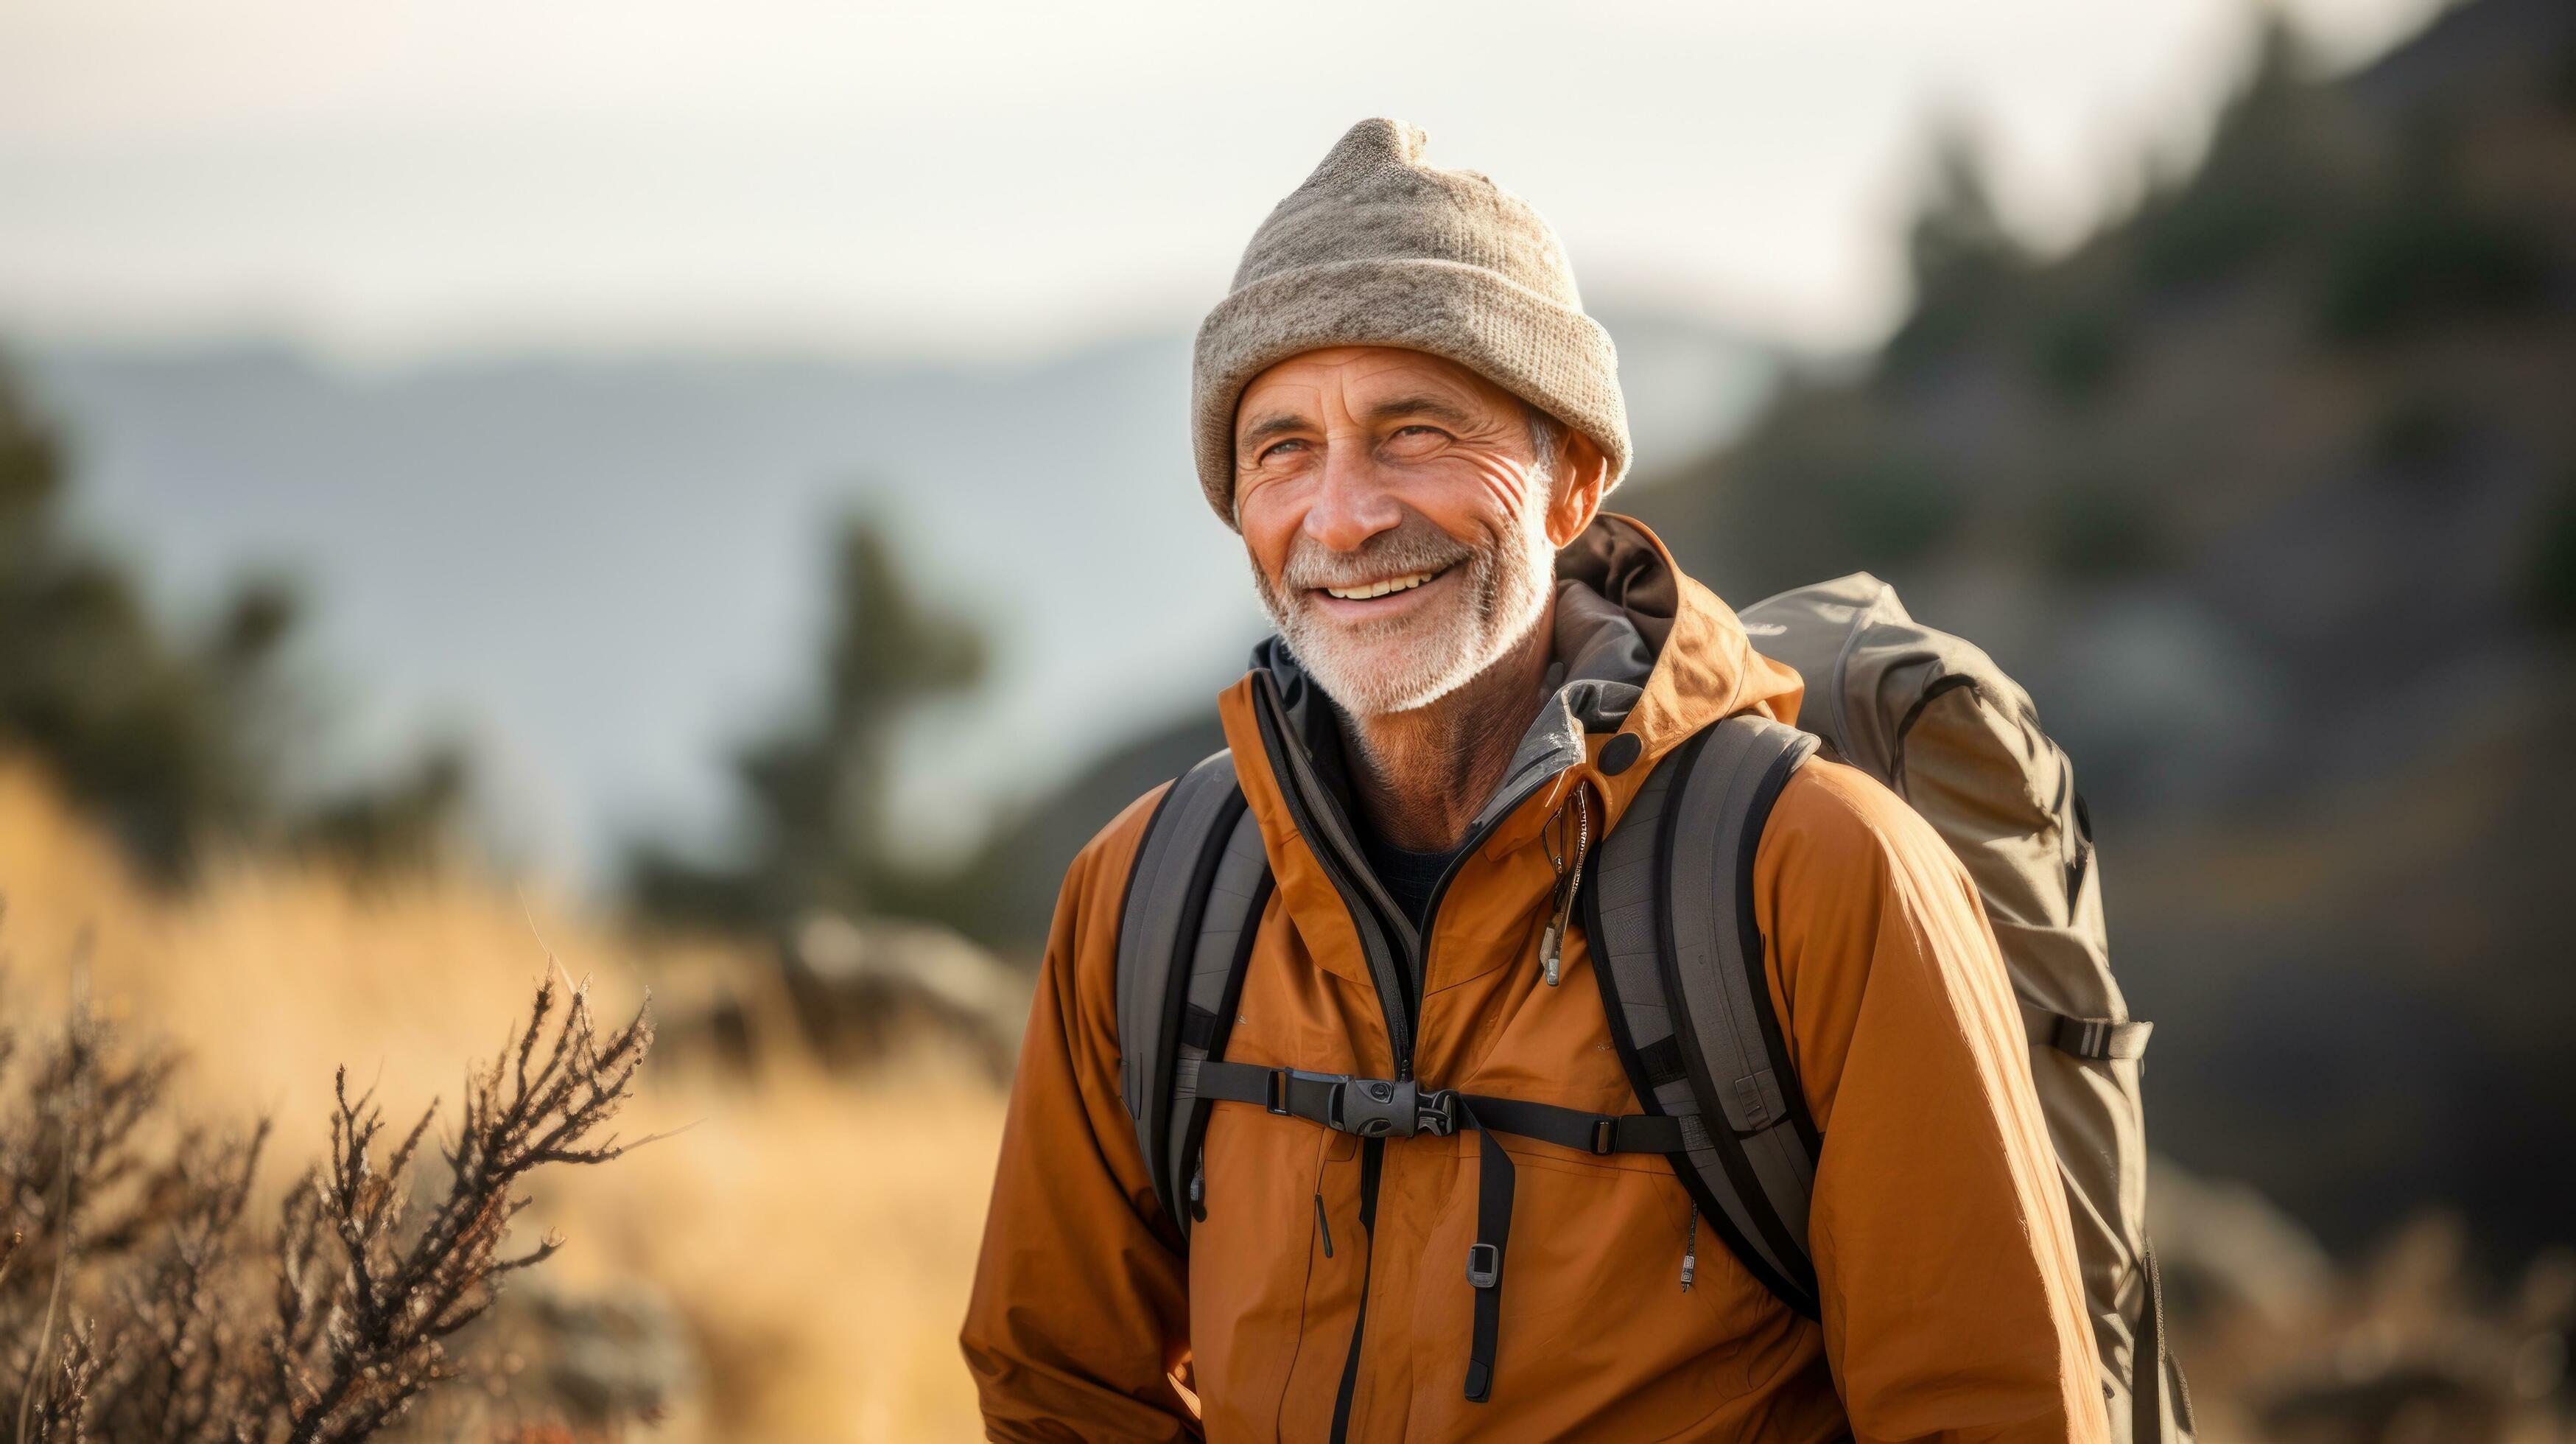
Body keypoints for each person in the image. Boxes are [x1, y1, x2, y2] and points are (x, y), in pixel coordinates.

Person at [961, 117, 2105, 1443]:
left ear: (1571, 480)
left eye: (1415, 431)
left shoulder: (1823, 879)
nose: (1341, 516)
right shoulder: (1149, 897)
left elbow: (1990, 1413)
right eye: (1281, 447)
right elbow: (1059, 1391)